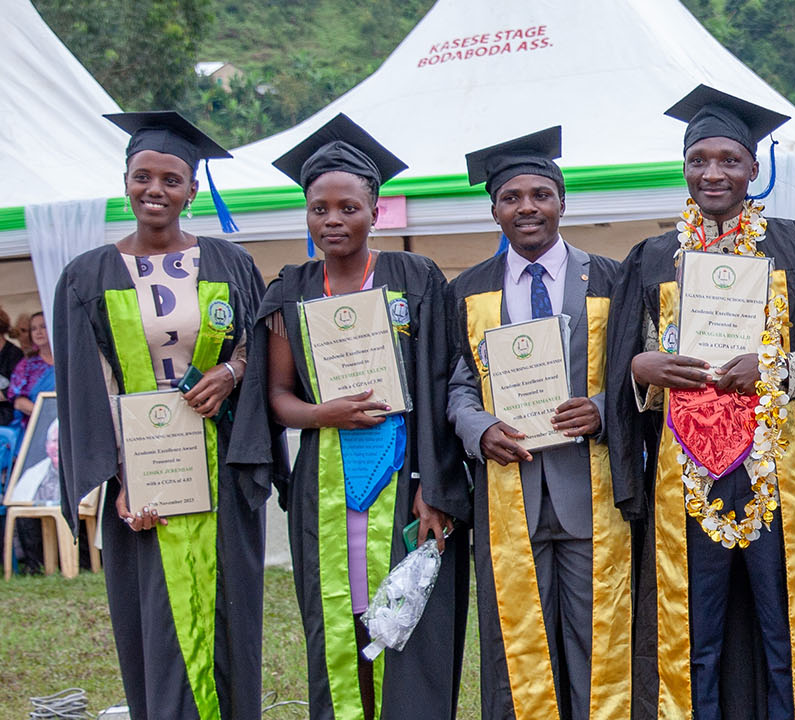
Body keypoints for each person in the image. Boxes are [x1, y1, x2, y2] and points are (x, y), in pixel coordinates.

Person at [604, 85, 795, 719]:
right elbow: (629, 369)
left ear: (754, 167)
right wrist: (642, 368)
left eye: (728, 159)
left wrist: (768, 368)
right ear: (685, 166)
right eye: (698, 159)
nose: (712, 172)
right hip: (686, 470)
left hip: (780, 472)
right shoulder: (653, 257)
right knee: (692, 635)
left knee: (788, 635)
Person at [233, 114, 468, 719]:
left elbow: (439, 383)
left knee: (407, 626)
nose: (332, 221)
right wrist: (322, 412)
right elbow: (278, 399)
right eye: (318, 209)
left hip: (404, 474)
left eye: (347, 208)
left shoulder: (413, 278)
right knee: (339, 622)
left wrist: (431, 485)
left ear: (375, 209)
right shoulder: (291, 289)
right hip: (326, 485)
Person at [54, 111, 266, 720]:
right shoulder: (87, 276)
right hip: (142, 477)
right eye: (143, 176)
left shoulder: (230, 264)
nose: (156, 190)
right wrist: (118, 484)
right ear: (125, 181)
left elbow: (262, 345)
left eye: (171, 180)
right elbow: (84, 388)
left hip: (221, 464)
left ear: (191, 191)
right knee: (158, 622)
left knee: (229, 613)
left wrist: (231, 373)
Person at [448, 126, 633, 719]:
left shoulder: (610, 277)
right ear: (494, 208)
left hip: (593, 491)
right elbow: (455, 385)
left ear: (561, 201)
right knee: (518, 647)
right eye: (511, 197)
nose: (526, 207)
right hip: (510, 495)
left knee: (596, 643)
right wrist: (478, 428)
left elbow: (639, 367)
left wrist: (602, 409)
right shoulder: (467, 291)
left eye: (540, 194)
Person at [4, 311, 56, 573]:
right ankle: (35, 561)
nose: (38, 332)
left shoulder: (69, 360)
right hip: (35, 437)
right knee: (28, 493)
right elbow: (17, 399)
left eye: (43, 326)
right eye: (34, 328)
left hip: (65, 439)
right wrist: (45, 410)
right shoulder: (27, 365)